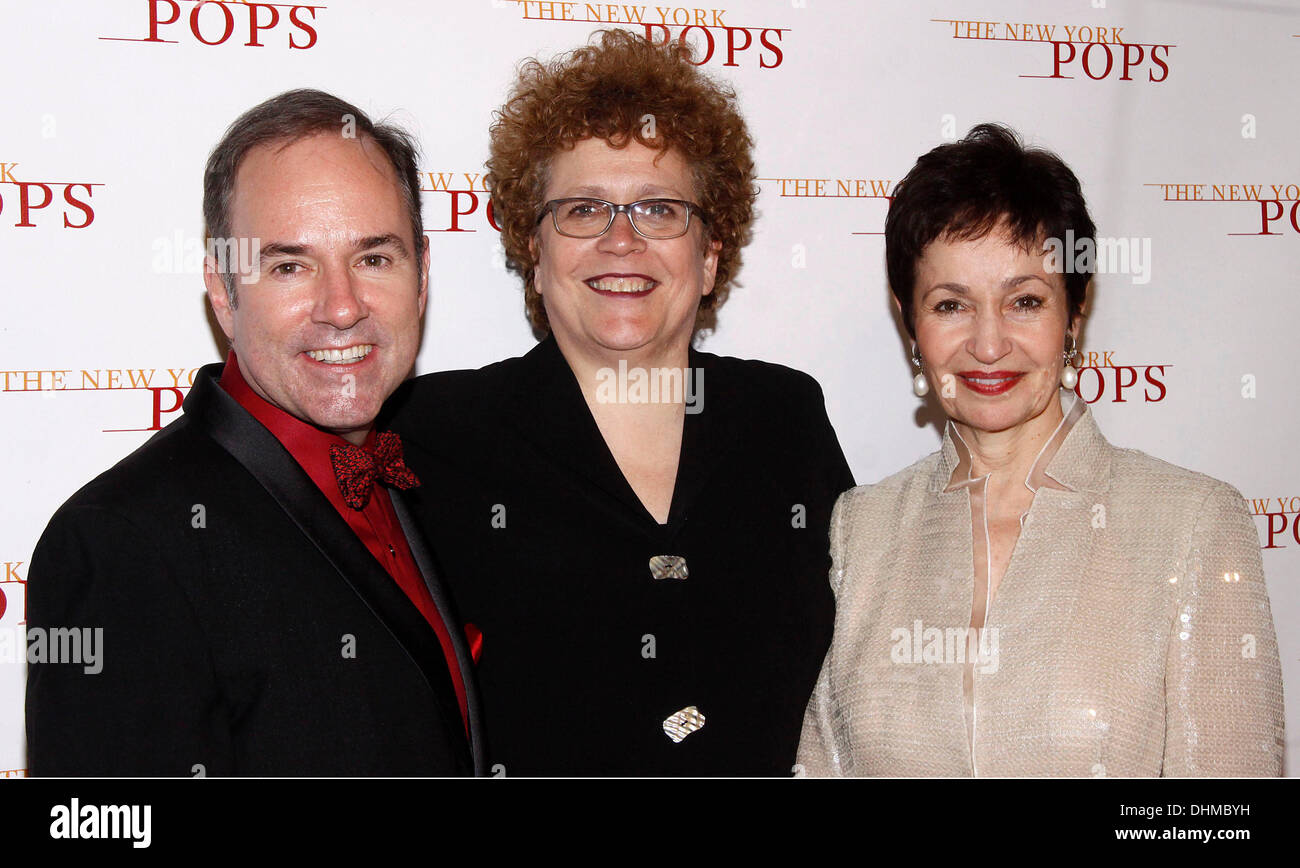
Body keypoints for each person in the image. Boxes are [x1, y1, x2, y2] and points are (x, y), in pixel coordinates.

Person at [384, 29, 854, 775]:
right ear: (534, 253)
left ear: (709, 255)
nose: (622, 241)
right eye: (583, 210)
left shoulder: (784, 417)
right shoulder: (432, 436)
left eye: (659, 210)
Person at [796, 123, 1285, 777]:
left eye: (1025, 301)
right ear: (910, 322)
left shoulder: (1191, 523)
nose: (988, 344)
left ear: (1074, 315)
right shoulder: (862, 528)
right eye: (951, 305)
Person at [25, 89, 485, 776]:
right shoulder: (121, 543)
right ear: (222, 290)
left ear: (421, 276)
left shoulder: (432, 479)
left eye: (374, 258)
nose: (342, 308)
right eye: (289, 266)